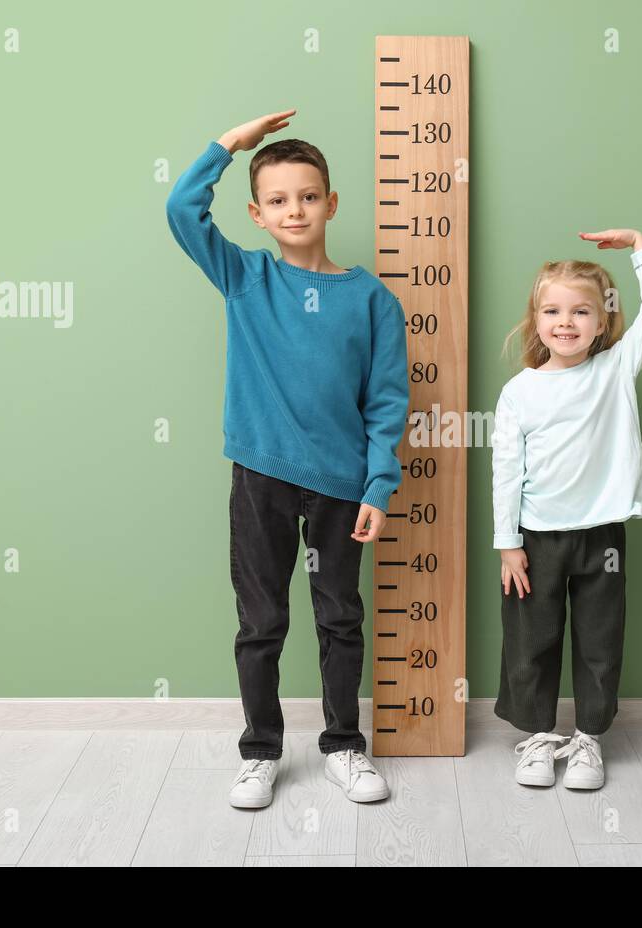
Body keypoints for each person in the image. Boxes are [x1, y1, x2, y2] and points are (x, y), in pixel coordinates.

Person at [166, 110, 409, 808]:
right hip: (260, 478)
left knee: (340, 617)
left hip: (341, 487)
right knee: (262, 621)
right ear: (257, 214)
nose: (294, 209)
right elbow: (181, 208)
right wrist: (229, 144)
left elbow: (388, 401)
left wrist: (378, 485)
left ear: (332, 204)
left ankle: (344, 745)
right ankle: (261, 751)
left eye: (307, 196)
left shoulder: (371, 300)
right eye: (277, 200)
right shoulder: (244, 278)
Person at [491, 228, 642, 790]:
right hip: (536, 539)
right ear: (536, 319)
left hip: (602, 538)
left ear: (603, 321)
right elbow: (506, 472)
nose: (565, 322)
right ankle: (538, 738)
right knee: (531, 642)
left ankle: (589, 739)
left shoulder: (615, 369)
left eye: (581, 311)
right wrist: (508, 545)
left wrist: (641, 246)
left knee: (599, 641)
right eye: (553, 310)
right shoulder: (519, 391)